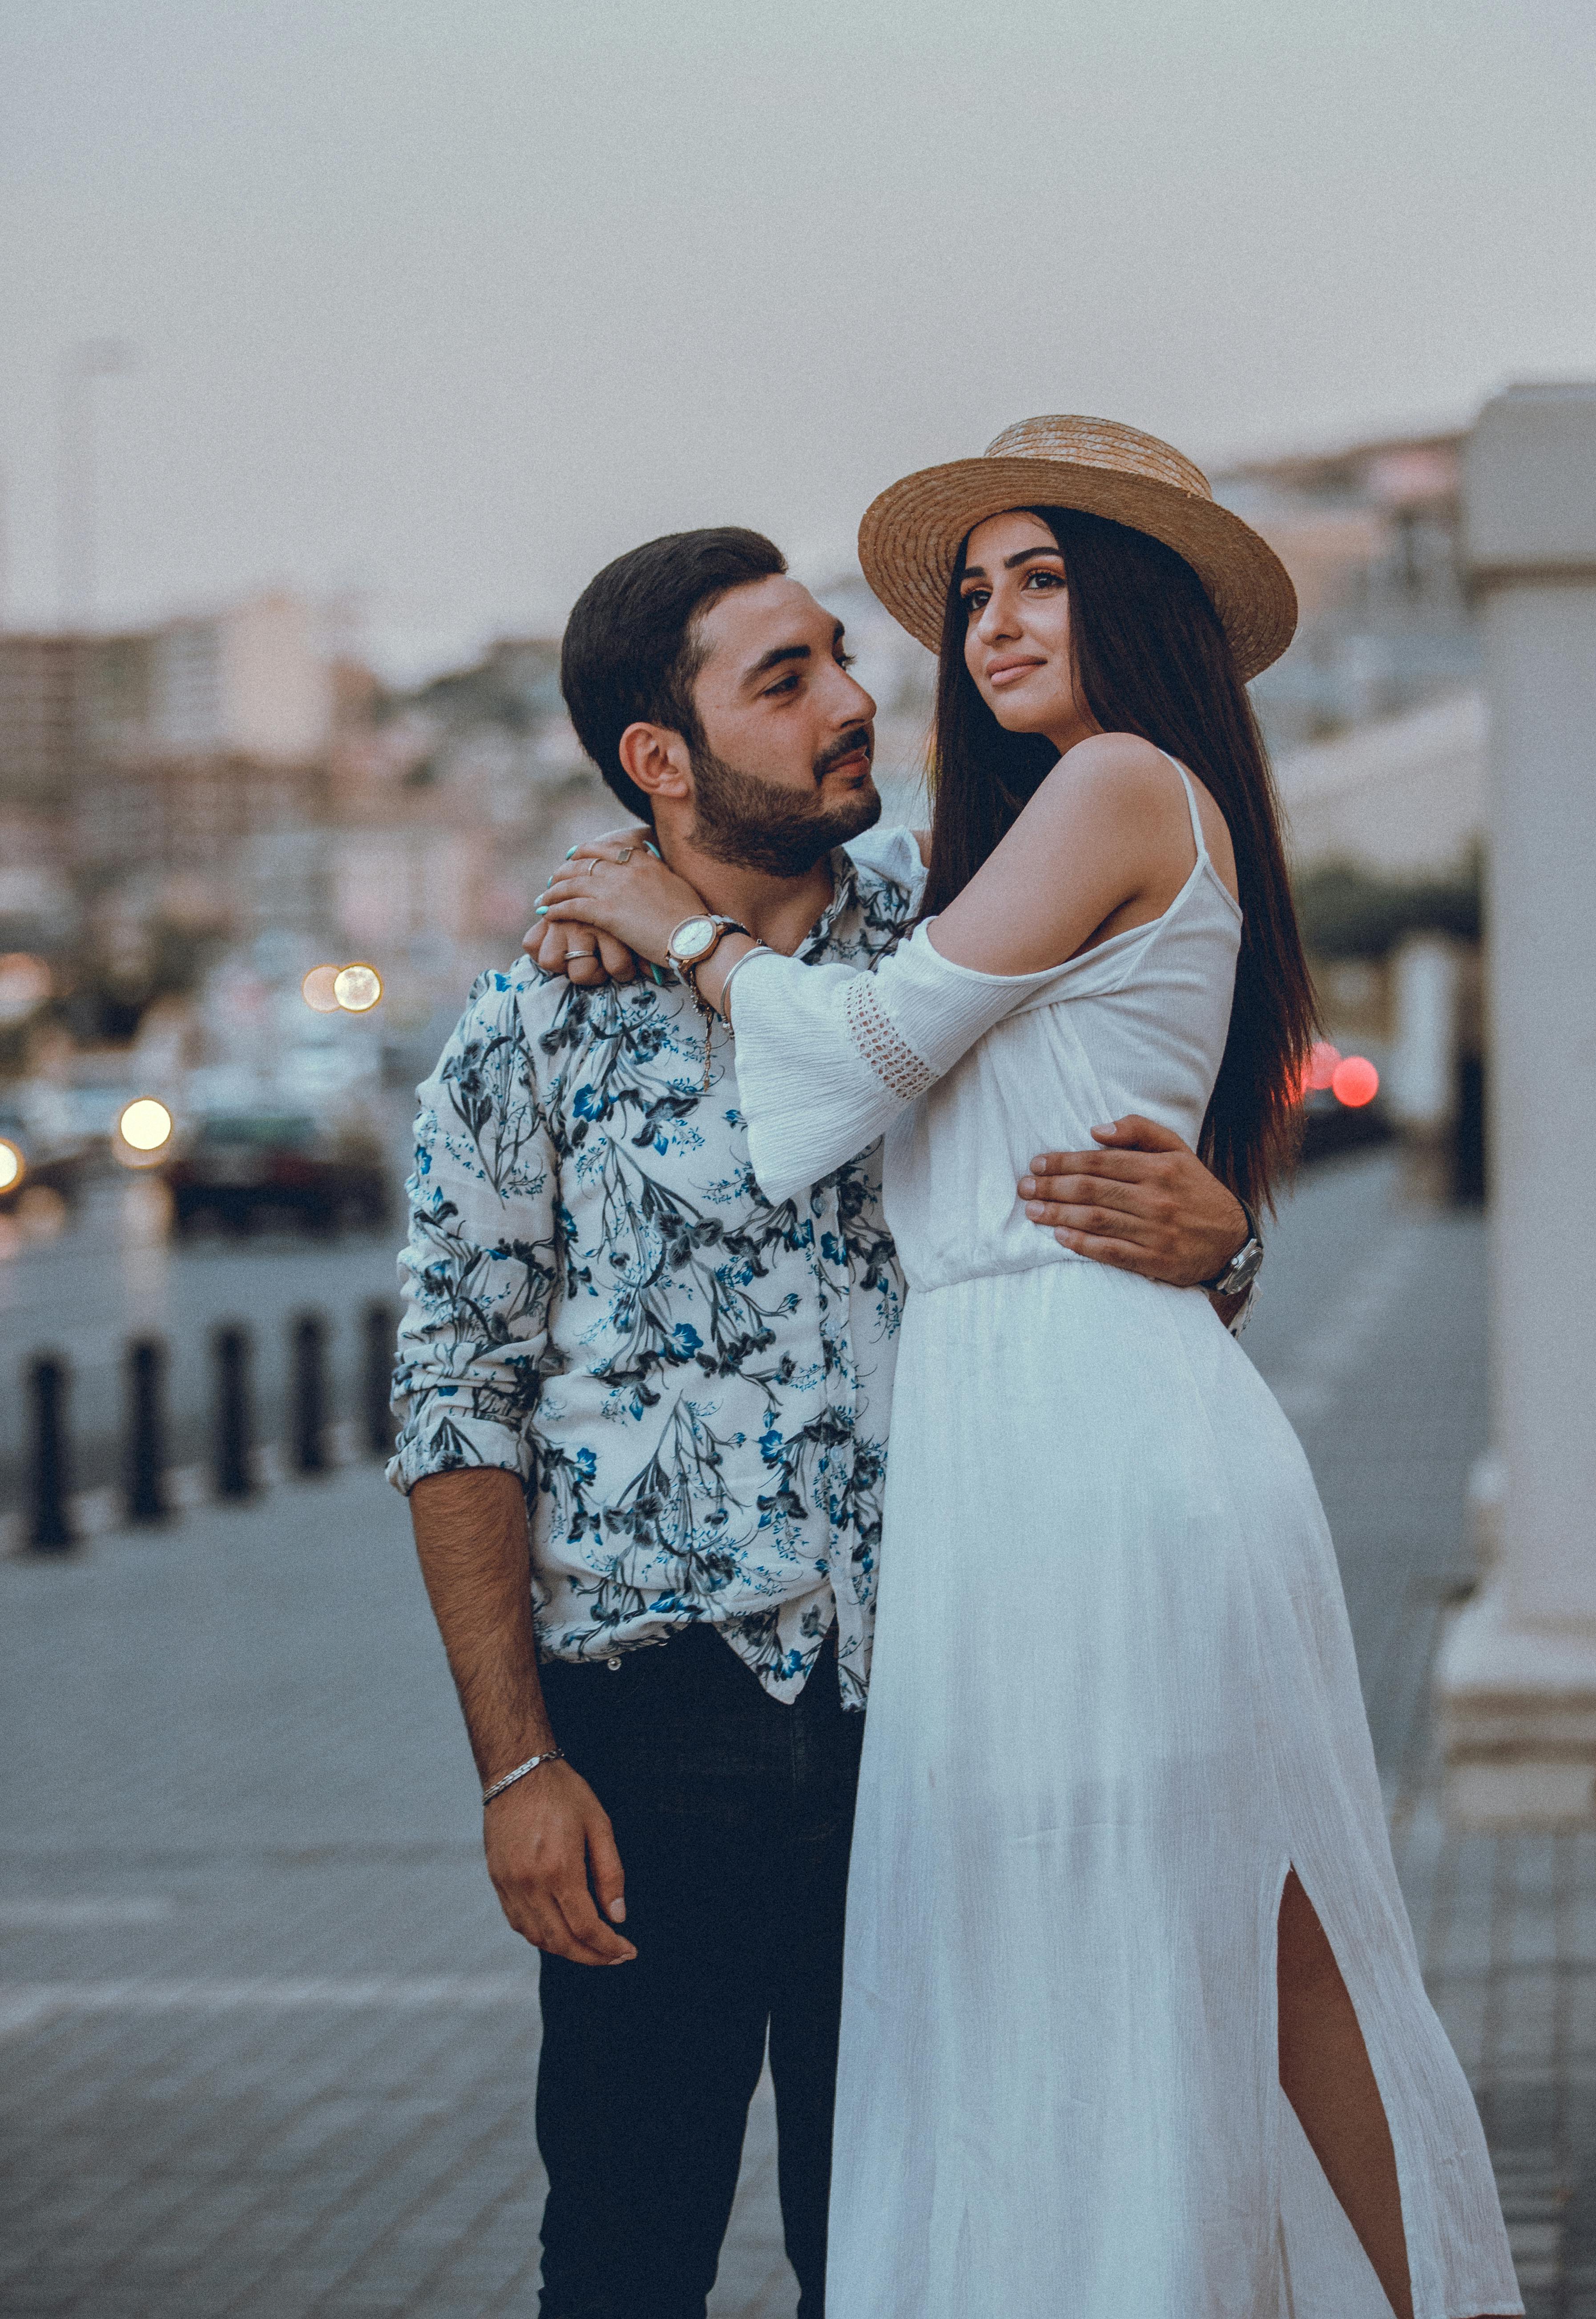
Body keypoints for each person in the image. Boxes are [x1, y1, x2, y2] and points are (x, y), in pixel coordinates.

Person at [538, 417, 1522, 2319]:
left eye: (1039, 579)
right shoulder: (1004, 851)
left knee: (1252, 1933)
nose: (986, 625)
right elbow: (873, 1001)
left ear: (1133, 601)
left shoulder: (1121, 781)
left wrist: (677, 943)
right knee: (1133, 1947)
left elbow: (850, 1064)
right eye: (971, 593)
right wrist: (618, 901)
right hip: (1019, 1443)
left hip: (1090, 1438)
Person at [389, 521, 1257, 2319]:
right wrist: (513, 1767)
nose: (856, 703)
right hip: (654, 1734)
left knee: (915, 2255)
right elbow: (453, 1402)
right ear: (660, 757)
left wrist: (1223, 1238)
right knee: (622, 2256)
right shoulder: (526, 1037)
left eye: (844, 660)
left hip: (942, 1711)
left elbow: (1104, 1178)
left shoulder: (957, 941)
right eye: (784, 683)